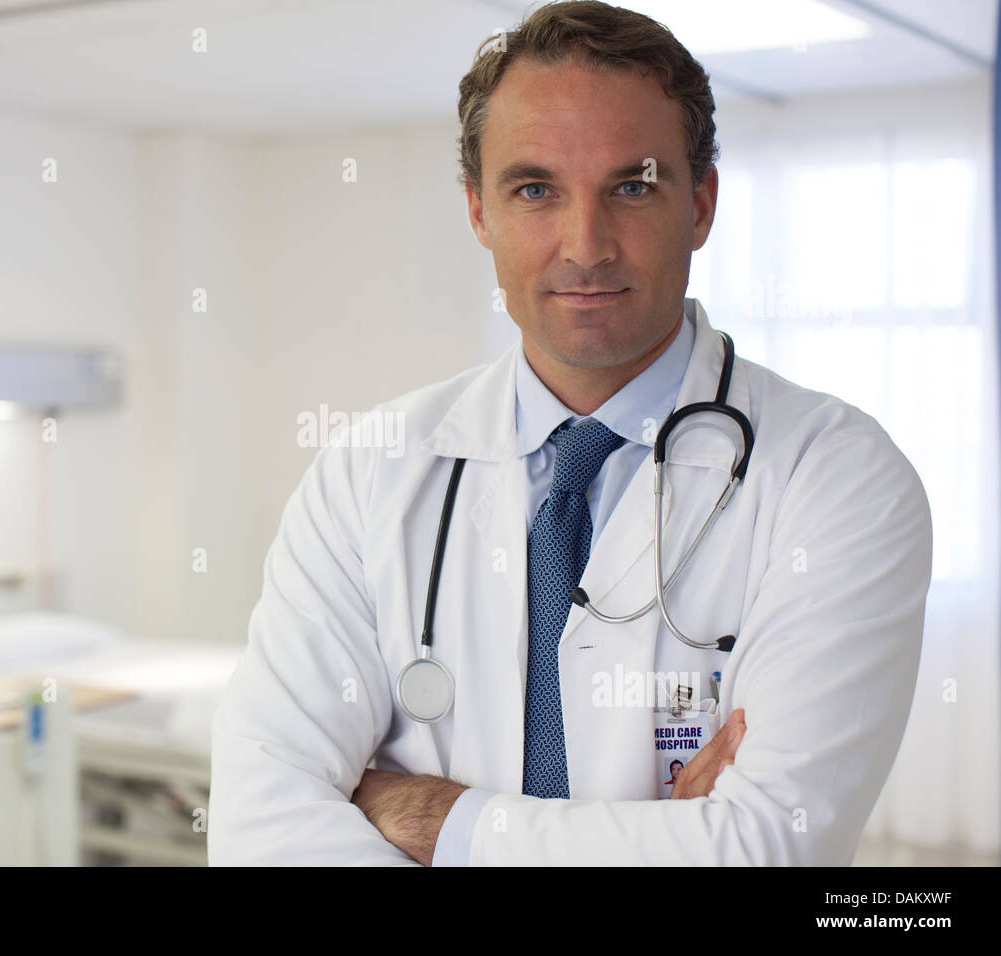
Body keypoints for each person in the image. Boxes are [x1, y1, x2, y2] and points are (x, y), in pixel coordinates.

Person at [207, 0, 932, 866]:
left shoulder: (837, 476)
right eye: (535, 189)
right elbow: (261, 824)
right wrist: (663, 839)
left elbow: (764, 848)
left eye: (633, 186)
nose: (585, 247)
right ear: (479, 212)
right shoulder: (368, 472)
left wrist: (438, 820)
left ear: (700, 204)